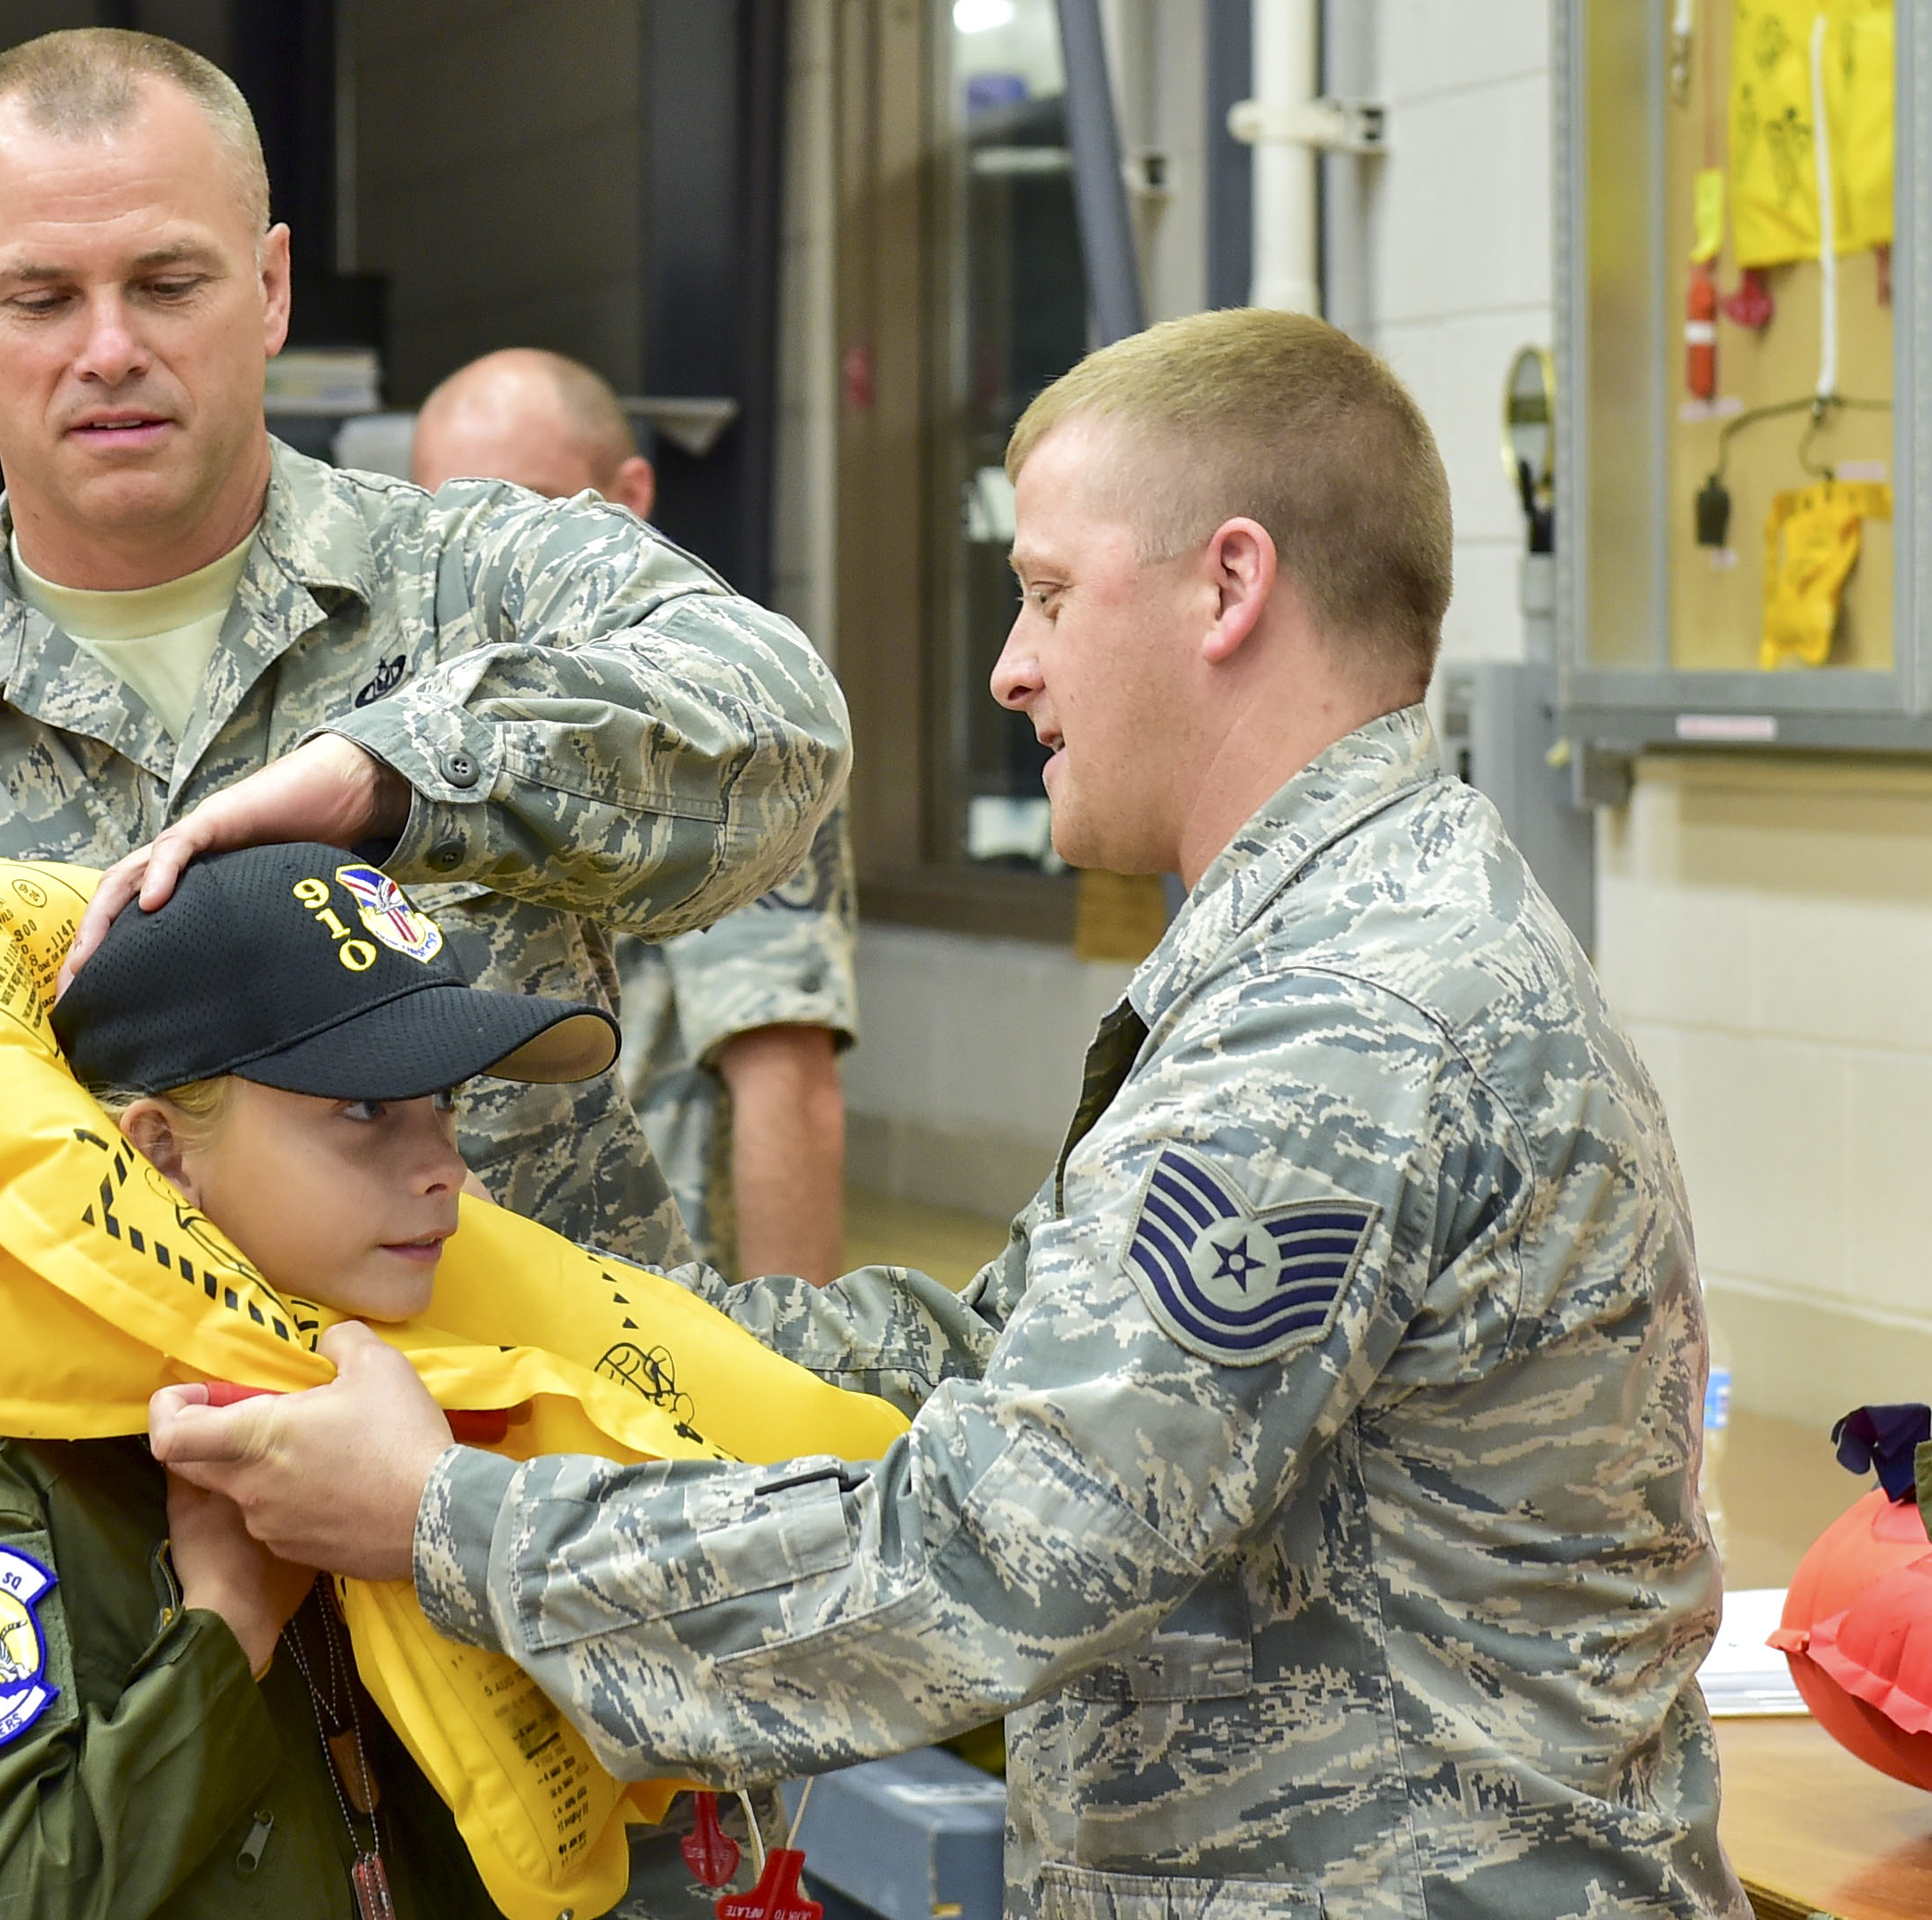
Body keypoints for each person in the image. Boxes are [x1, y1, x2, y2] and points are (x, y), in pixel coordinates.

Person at [148, 310, 1749, 1918]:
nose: (1009, 666)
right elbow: (988, 1357)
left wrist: (443, 1520)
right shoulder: (1334, 943)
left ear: (1228, 585)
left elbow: (992, 1554)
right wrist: (563, 1324)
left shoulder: (1343, 1022)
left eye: (1047, 593)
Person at [0, 28, 848, 1356]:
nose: (109, 348)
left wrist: (392, 779)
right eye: (41, 299)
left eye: (167, 283)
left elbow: (785, 727)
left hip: (548, 1455)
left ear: (273, 287)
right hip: (109, 1484)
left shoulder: (481, 582)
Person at [0, 841, 619, 1918]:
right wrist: (226, 1629)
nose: (445, 1168)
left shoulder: (439, 1406)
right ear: (161, 1152)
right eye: (363, 1109)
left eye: (443, 1103)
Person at [412, 350, 857, 1282]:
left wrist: (781, 1354)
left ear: (631, 497)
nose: (495, 551)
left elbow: (782, 1068)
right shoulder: (411, 723)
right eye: (454, 518)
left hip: (647, 1299)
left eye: (529, 507)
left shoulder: (704, 729)